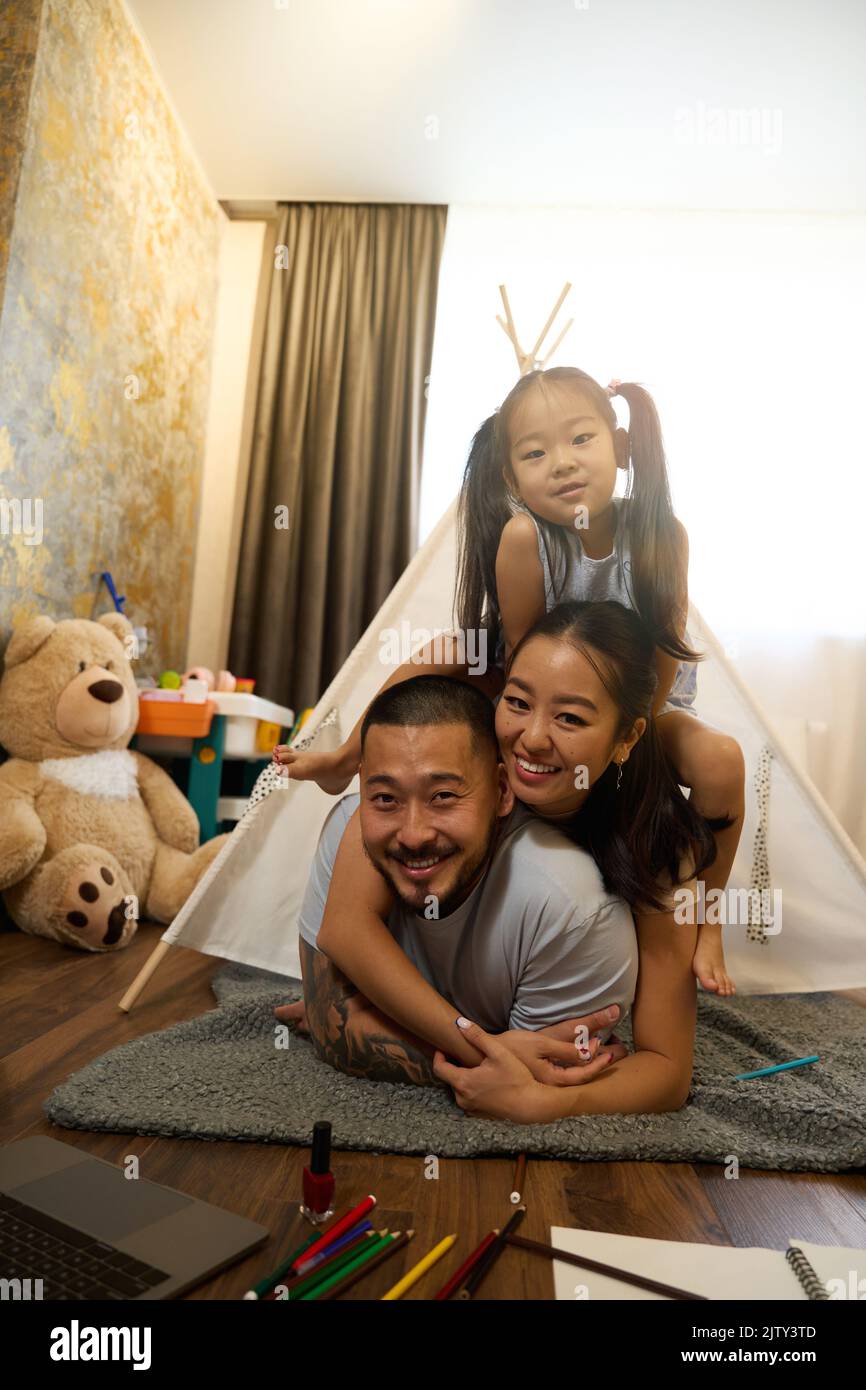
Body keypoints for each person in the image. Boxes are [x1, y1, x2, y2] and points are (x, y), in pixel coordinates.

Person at [276, 367, 745, 995]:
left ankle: (708, 920)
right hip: (539, 687)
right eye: (535, 453)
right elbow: (523, 658)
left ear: (622, 447)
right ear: (511, 476)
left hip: (637, 703)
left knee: (720, 761)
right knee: (441, 651)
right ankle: (343, 756)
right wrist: (531, 727)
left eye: (582, 440)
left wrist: (619, 744)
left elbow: (663, 654)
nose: (562, 464)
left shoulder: (662, 536)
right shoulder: (526, 539)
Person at [281, 602, 715, 1120]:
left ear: (626, 738)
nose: (531, 738)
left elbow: (667, 1069)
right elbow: (348, 929)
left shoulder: (654, 848)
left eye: (571, 717)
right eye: (517, 702)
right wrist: (492, 1050)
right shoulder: (435, 776)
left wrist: (548, 1101)